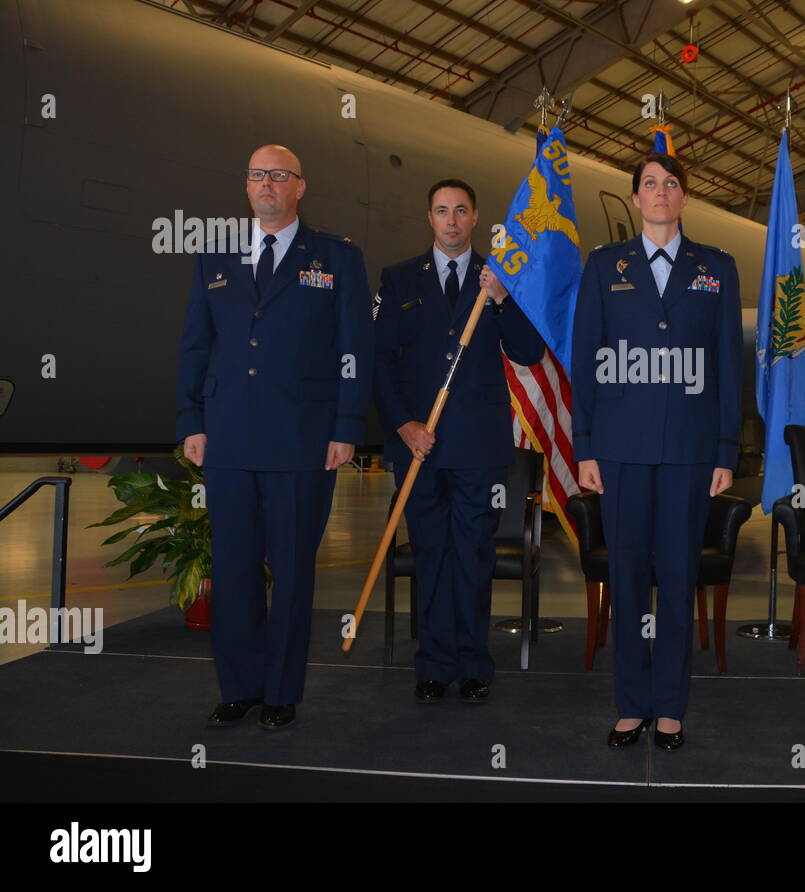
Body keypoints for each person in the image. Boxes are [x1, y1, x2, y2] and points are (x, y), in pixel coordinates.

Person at [177, 144, 373, 730]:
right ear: (246, 187)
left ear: (299, 187)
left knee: (291, 570)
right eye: (257, 175)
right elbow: (196, 344)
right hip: (229, 440)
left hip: (302, 440)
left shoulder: (336, 258)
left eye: (278, 175)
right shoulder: (214, 258)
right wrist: (191, 420)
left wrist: (346, 428)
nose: (266, 184)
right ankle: (239, 685)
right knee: (234, 568)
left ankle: (282, 690)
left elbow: (353, 350)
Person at [571, 154, 743, 750]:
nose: (661, 192)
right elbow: (586, 359)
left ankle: (669, 705)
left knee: (677, 578)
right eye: (649, 184)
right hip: (620, 451)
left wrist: (726, 450)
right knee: (625, 577)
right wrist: (584, 446)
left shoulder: (716, 268)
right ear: (636, 199)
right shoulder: (603, 267)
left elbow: (726, 365)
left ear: (684, 198)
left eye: (672, 184)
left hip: (690, 454)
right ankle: (631, 703)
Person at [372, 179, 544, 704]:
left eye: (460, 211)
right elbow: (378, 362)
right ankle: (433, 662)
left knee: (472, 555)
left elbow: (529, 351)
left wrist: (502, 300)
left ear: (475, 219)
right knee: (431, 553)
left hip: (477, 447)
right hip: (417, 445)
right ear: (429, 218)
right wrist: (403, 424)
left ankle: (473, 663)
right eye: (441, 211)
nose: (451, 220)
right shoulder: (400, 279)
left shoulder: (498, 279)